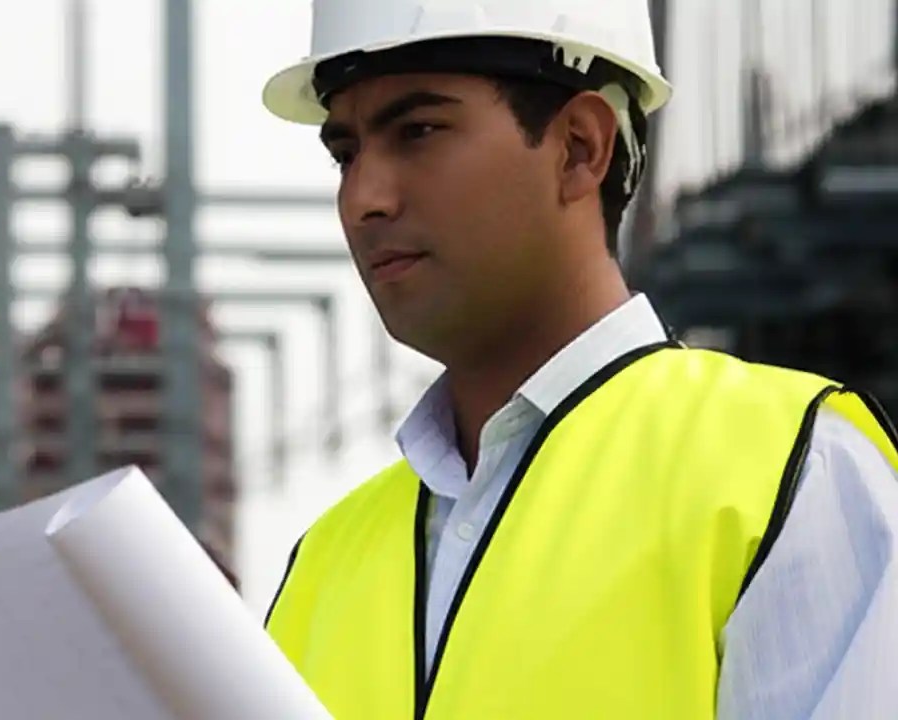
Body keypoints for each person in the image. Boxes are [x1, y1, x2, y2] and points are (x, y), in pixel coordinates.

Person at [258, 2, 898, 718]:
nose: (363, 199)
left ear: (579, 147)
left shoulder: (794, 474)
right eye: (345, 154)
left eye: (418, 132)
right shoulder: (324, 563)